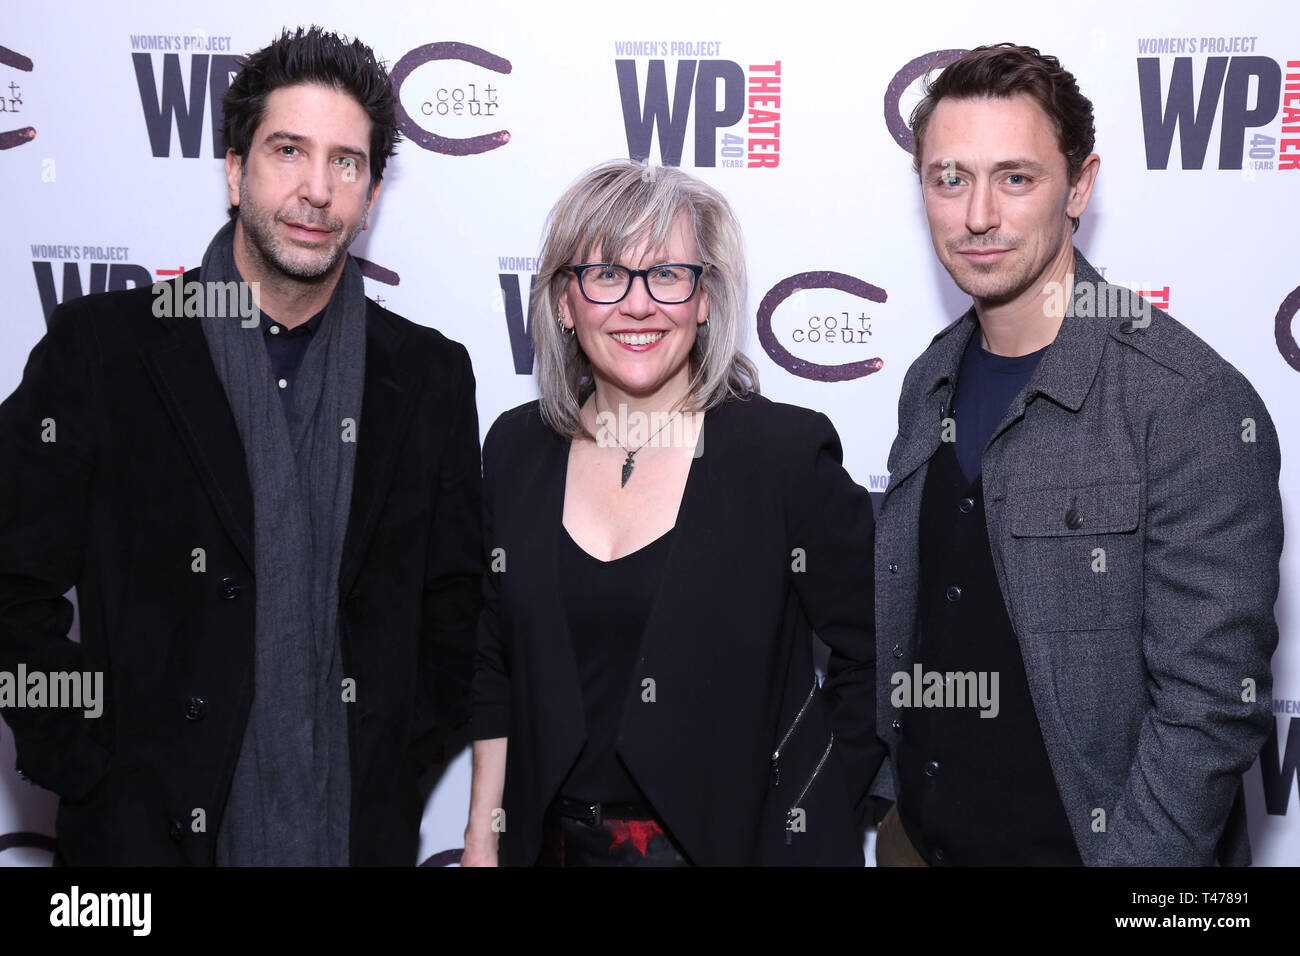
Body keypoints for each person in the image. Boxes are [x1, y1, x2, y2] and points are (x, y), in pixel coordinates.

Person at [0, 26, 482, 865]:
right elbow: (10, 577)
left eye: (346, 162)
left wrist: (388, 763)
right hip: (140, 842)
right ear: (235, 170)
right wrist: (85, 759)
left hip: (353, 835)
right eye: (287, 150)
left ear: (370, 196)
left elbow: (454, 612)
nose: (316, 190)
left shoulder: (429, 378)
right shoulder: (104, 352)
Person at [871, 43, 1283, 866]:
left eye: (1015, 178)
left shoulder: (1185, 400)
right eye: (949, 178)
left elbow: (1209, 710)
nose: (977, 214)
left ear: (1080, 187)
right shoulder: (929, 380)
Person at [462, 160, 881, 866]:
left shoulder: (781, 456)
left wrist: (808, 809)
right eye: (605, 274)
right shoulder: (515, 450)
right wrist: (481, 835)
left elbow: (879, 650)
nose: (637, 305)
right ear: (564, 302)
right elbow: (493, 663)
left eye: (667, 275)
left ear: (705, 299)